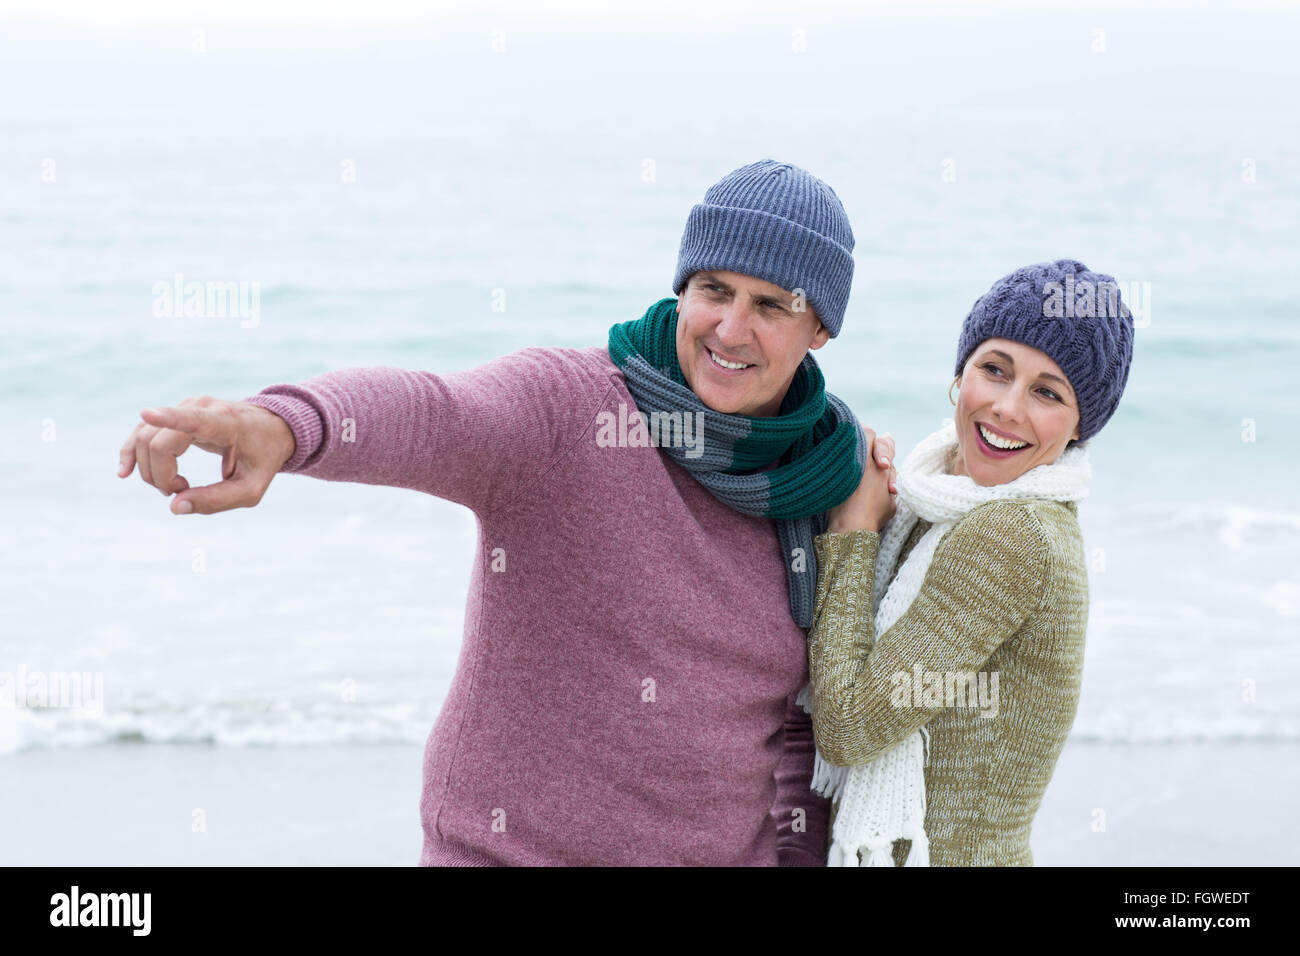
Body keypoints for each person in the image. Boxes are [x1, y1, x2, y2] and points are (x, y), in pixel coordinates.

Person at [116, 159, 897, 866]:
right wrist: (285, 427)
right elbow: (436, 414)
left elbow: (801, 722)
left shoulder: (822, 478)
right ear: (682, 289)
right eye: (714, 291)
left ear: (820, 327)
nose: (730, 328)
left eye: (770, 305)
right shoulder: (571, 408)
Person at [800, 259, 1134, 866]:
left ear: (1082, 424)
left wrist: (853, 530)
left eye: (1047, 392)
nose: (1007, 407)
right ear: (961, 373)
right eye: (994, 369)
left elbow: (849, 726)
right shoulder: (941, 494)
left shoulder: (1012, 534)